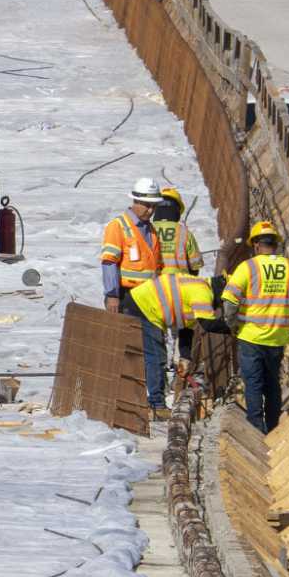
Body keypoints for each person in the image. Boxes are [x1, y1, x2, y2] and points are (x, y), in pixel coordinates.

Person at [222, 221, 289, 433]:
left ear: (256, 245)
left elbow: (230, 301)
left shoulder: (248, 267)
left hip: (251, 336)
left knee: (253, 383)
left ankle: (256, 427)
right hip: (277, 337)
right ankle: (274, 426)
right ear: (275, 245)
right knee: (272, 383)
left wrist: (231, 325)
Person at [101, 175, 170, 414]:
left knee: (153, 349)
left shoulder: (151, 231)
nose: (150, 210)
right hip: (126, 296)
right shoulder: (118, 226)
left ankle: (155, 400)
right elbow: (109, 262)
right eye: (147, 205)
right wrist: (112, 295)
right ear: (135, 201)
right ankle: (119, 400)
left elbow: (156, 267)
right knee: (124, 348)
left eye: (154, 206)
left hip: (149, 299)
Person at [128, 266, 222, 416]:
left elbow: (186, 330)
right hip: (143, 306)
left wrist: (185, 358)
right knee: (157, 358)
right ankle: (157, 406)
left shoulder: (198, 290)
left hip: (145, 305)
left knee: (155, 357)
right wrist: (234, 328)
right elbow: (208, 324)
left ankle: (156, 403)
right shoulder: (203, 292)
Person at [154, 186, 202, 275]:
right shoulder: (185, 233)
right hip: (180, 285)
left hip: (151, 286)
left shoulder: (146, 230)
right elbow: (195, 267)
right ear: (178, 211)